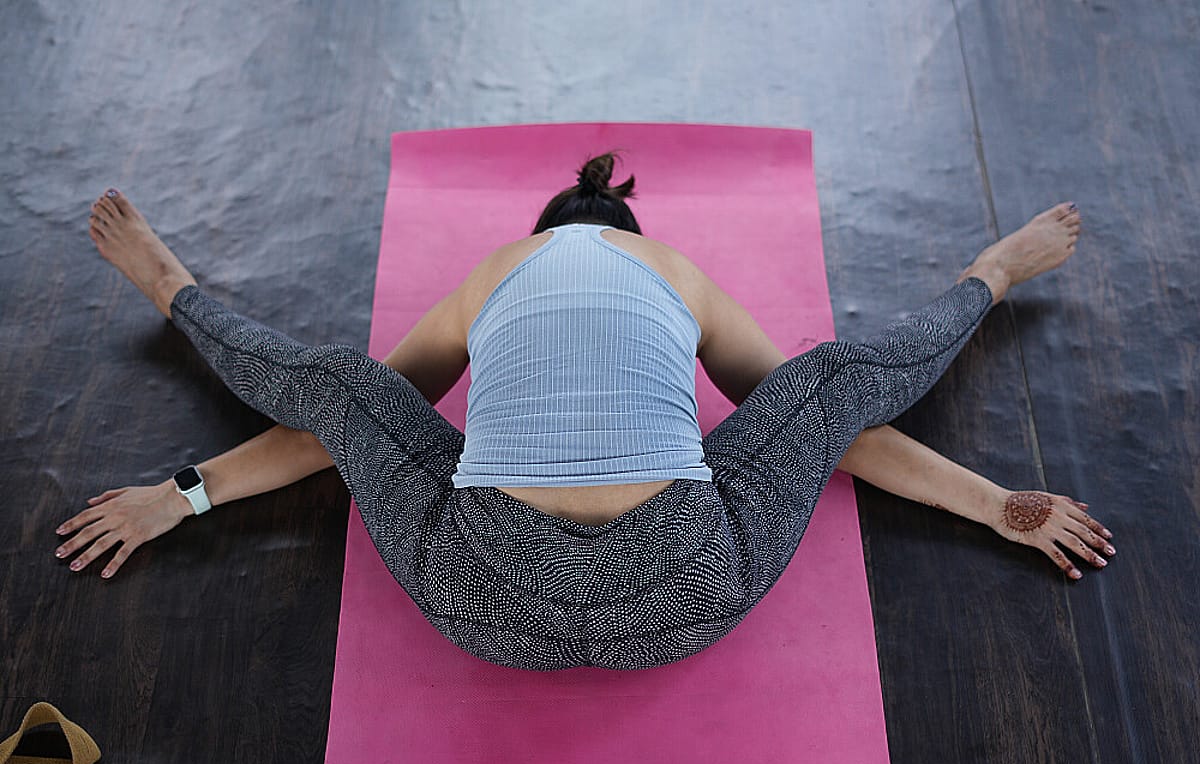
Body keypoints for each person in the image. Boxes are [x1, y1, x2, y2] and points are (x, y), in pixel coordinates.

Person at [55, 154, 1113, 670]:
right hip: (689, 596)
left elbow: (338, 421)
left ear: (549, 226)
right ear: (623, 226)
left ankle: (171, 289)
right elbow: (836, 419)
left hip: (481, 601)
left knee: (341, 385)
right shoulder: (673, 269)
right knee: (829, 379)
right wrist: (999, 504)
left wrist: (178, 495)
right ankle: (993, 274)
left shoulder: (496, 270)